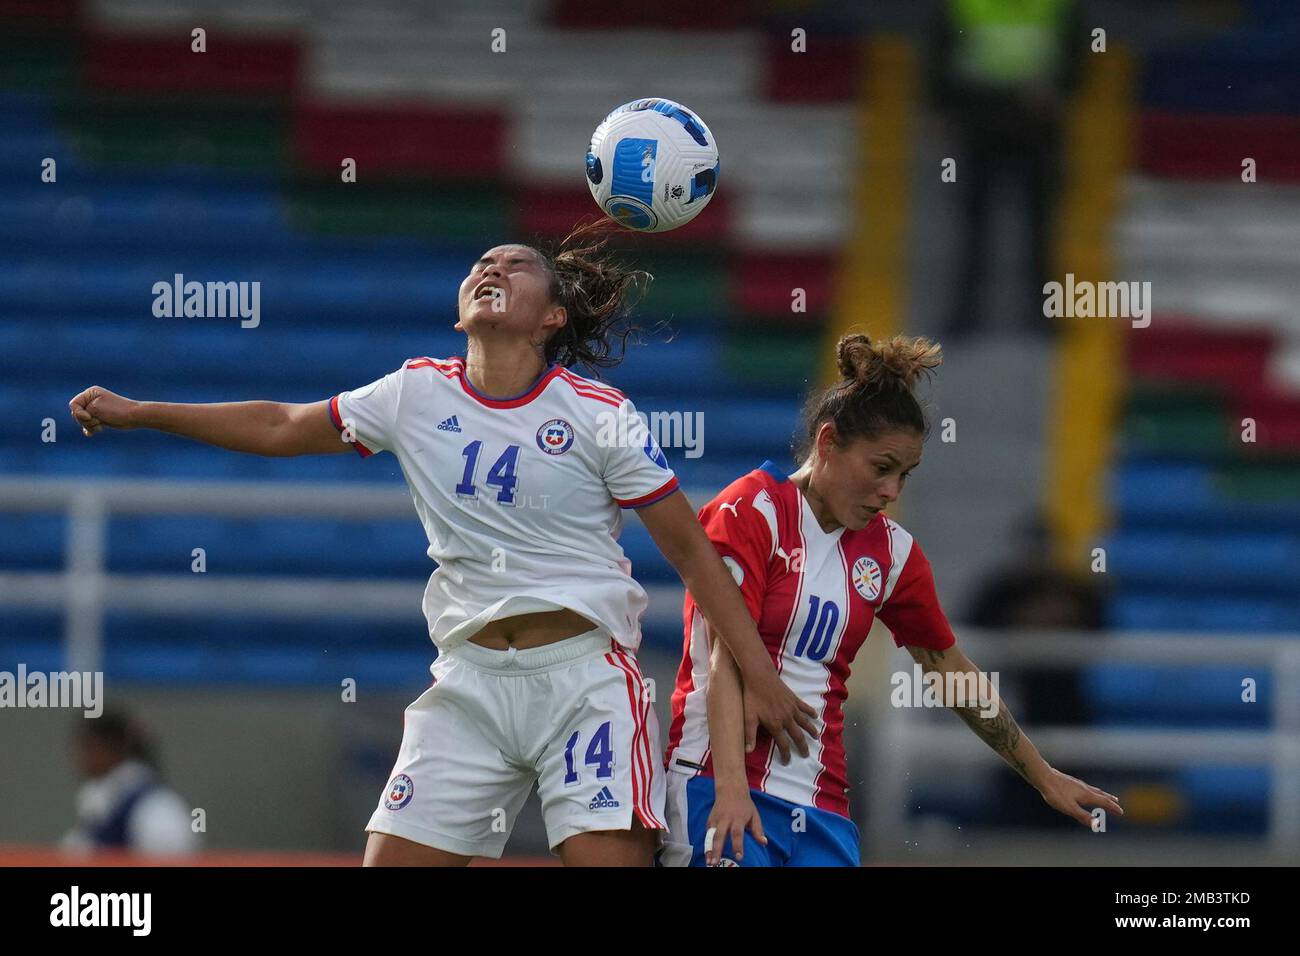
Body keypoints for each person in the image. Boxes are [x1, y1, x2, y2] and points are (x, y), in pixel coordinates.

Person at [68, 224, 816, 867]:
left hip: (584, 683)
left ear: (552, 317)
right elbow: (281, 425)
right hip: (469, 686)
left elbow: (690, 552)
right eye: (481, 263)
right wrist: (144, 413)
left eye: (516, 265)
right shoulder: (414, 392)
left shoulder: (599, 415)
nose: (491, 269)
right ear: (461, 308)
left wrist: (759, 673)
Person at [661, 332, 1123, 866]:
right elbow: (724, 654)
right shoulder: (751, 509)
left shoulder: (892, 554)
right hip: (716, 783)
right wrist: (732, 791)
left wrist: (1042, 775)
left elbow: (949, 667)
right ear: (828, 443)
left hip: (821, 804)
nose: (891, 492)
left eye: (904, 475)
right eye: (881, 468)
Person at [62, 710, 199, 856]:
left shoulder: (155, 808)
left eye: (88, 747)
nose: (80, 758)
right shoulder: (103, 804)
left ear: (111, 746)